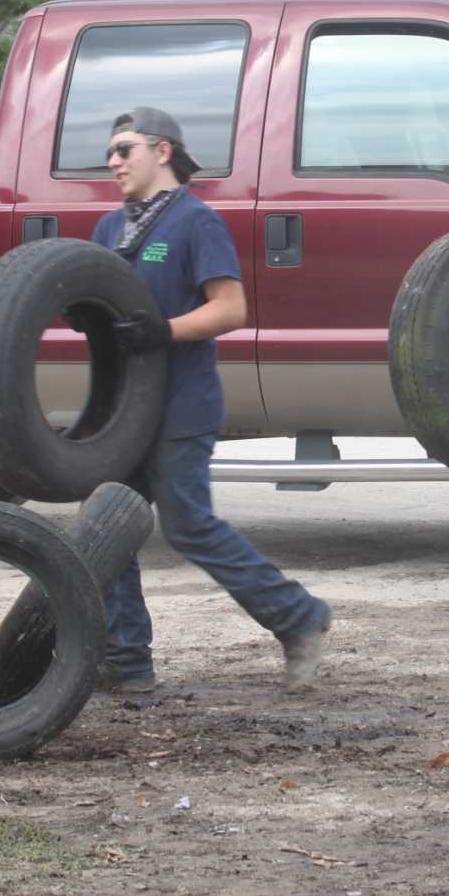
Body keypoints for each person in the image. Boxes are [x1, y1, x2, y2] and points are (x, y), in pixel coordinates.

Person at [91, 106, 332, 694]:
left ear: (162, 151)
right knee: (109, 527)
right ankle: (126, 662)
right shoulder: (106, 229)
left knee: (189, 525)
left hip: (181, 404)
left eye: (125, 149)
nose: (113, 161)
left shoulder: (196, 222)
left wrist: (162, 330)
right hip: (123, 407)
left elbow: (230, 308)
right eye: (111, 152)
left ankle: (299, 617)